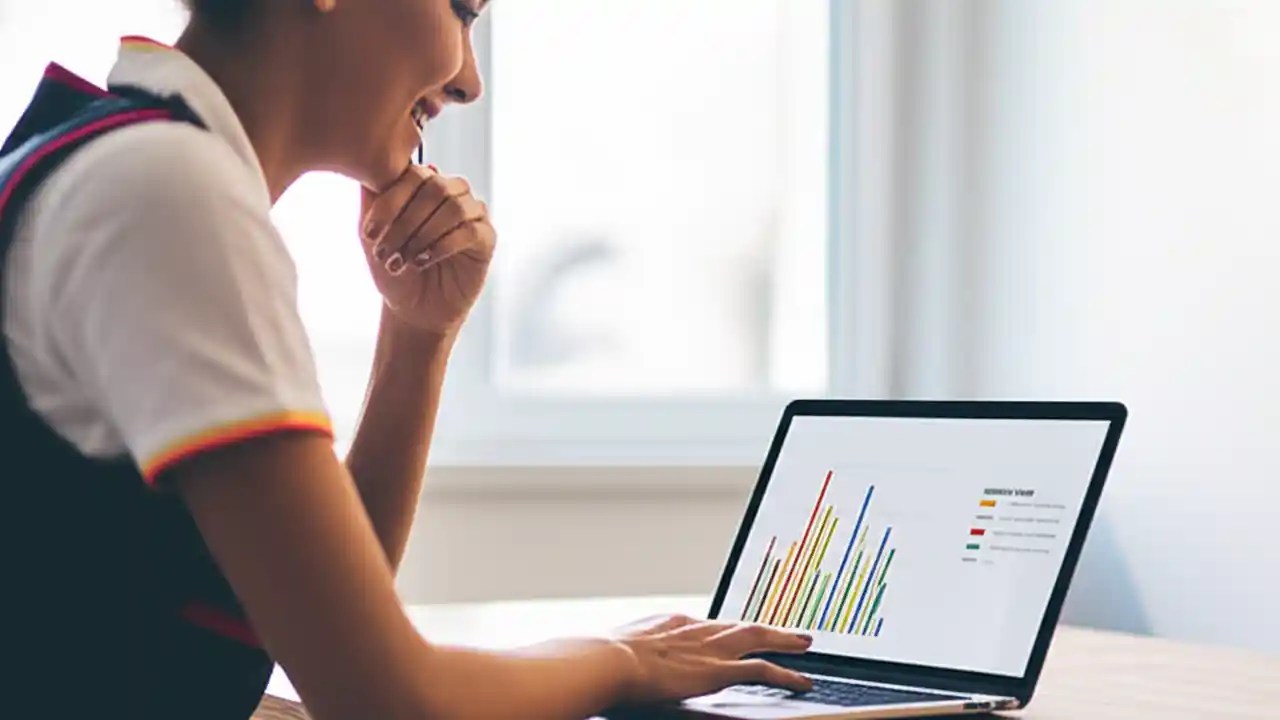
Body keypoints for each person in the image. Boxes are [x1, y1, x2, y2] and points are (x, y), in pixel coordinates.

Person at [0, 1, 814, 718]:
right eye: (461, 9)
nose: (468, 81)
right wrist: (621, 662)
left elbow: (323, 618)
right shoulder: (166, 191)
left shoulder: (104, 155)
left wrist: (417, 337)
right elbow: (384, 697)